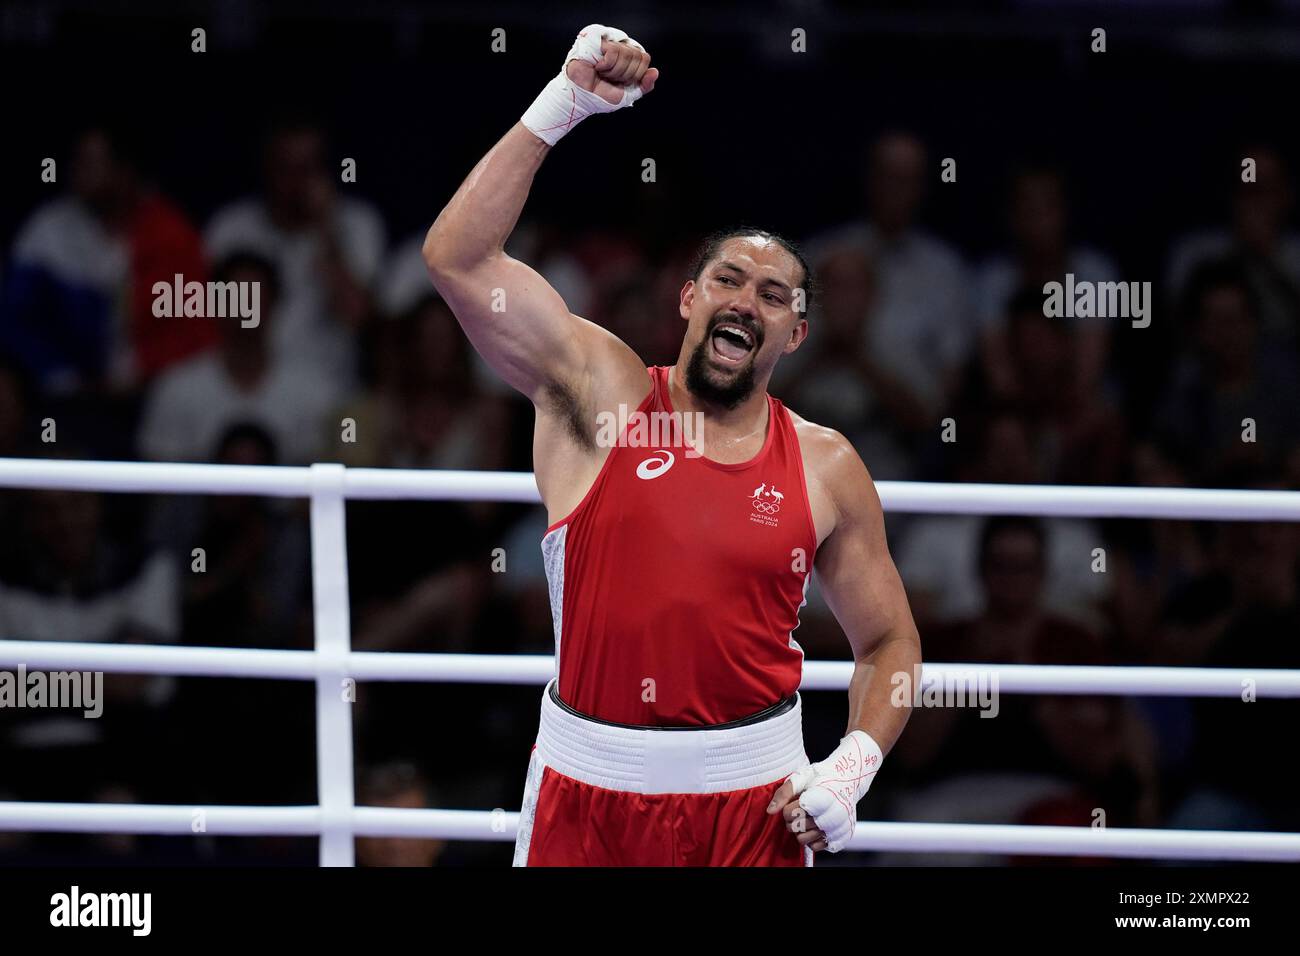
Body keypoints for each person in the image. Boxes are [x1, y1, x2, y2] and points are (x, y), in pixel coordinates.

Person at [422, 23, 921, 867]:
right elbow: (458, 260)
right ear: (689, 299)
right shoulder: (601, 393)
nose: (746, 302)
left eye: (773, 296)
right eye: (728, 279)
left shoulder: (827, 463)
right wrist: (562, 107)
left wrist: (853, 766)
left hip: (755, 804)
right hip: (586, 792)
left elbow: (891, 643)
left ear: (793, 335)